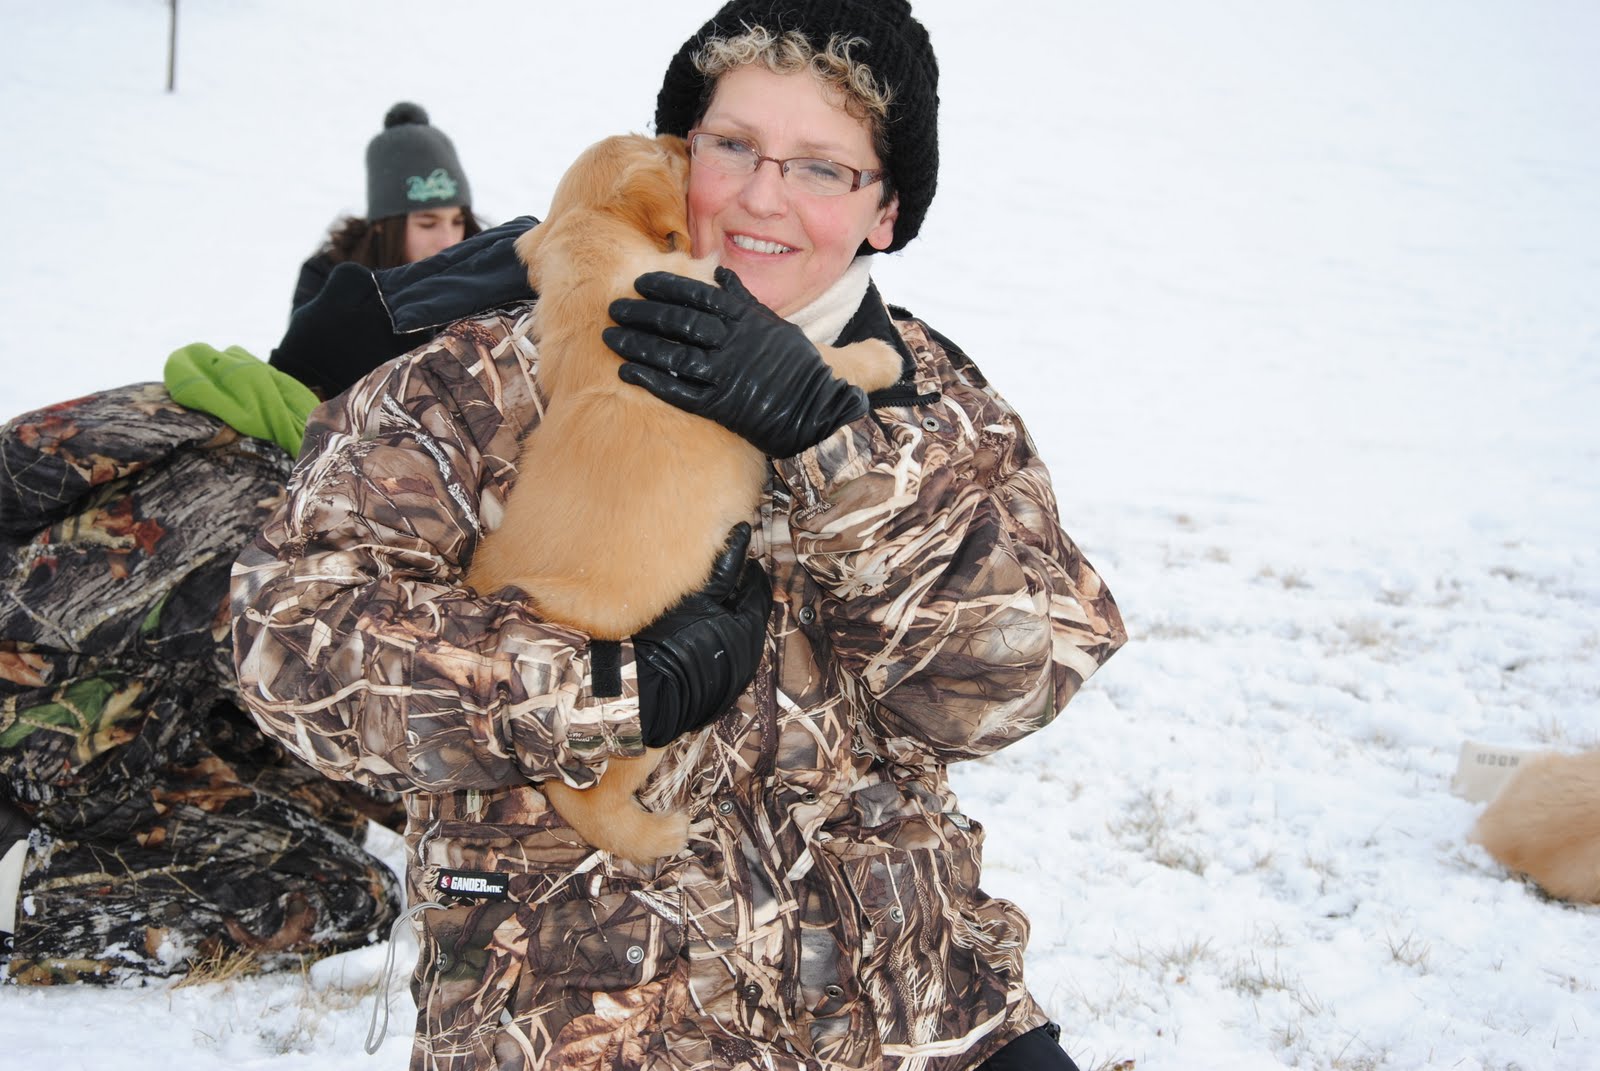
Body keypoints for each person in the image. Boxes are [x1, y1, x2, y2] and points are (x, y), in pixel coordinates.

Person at [230, 2, 1126, 1069]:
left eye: (819, 168)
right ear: (676, 156)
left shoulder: (932, 404)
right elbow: (283, 643)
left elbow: (1004, 686)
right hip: (583, 1018)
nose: (759, 196)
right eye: (732, 146)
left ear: (884, 211)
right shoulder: (489, 379)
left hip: (916, 1015)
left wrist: (836, 451)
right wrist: (606, 689)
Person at [0, 209, 540, 983]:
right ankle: (21, 896)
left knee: (313, 808)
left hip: (94, 720)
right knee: (344, 895)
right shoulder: (265, 508)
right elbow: (380, 720)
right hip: (41, 760)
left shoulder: (209, 414)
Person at [292, 101, 483, 313]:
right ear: (382, 224)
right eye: (427, 224)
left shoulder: (483, 276)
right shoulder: (325, 278)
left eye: (457, 221)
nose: (449, 241)